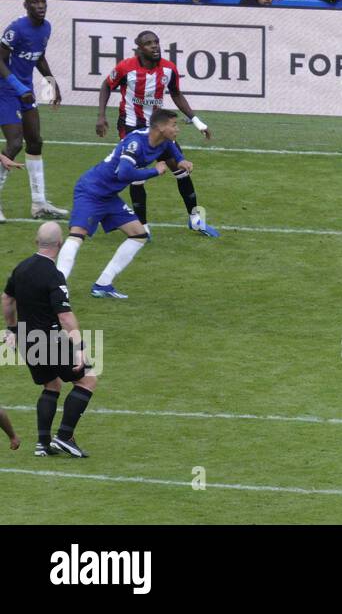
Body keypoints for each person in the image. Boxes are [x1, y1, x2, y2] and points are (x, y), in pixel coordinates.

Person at [57, 107, 188, 301]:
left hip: (109, 196)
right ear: (160, 127)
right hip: (91, 191)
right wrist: (155, 171)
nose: (177, 129)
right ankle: (56, 288)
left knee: (139, 235)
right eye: (173, 125)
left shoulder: (163, 140)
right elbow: (124, 173)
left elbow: (171, 148)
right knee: (77, 235)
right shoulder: (135, 142)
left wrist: (182, 160)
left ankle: (103, 284)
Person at [95, 30, 217, 236]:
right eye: (149, 43)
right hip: (132, 127)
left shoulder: (168, 69)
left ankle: (195, 219)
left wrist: (197, 122)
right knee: (135, 176)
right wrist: (101, 115)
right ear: (140, 48)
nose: (155, 46)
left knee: (180, 168)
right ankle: (142, 225)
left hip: (160, 129)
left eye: (156, 42)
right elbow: (106, 85)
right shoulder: (126, 67)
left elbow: (177, 93)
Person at [2, 221, 98, 457]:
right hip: (51, 339)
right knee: (88, 380)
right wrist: (79, 346)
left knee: (52, 384)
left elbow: (6, 299)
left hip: (27, 339)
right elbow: (65, 315)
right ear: (60, 243)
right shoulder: (53, 275)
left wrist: (12, 330)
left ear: (37, 242)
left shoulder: (21, 268)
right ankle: (64, 437)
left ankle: (43, 443)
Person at [0, 0, 66, 221]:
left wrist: (51, 84)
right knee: (15, 142)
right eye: (35, 3)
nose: (40, 6)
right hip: (6, 91)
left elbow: (39, 57)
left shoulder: (46, 27)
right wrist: (18, 87)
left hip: (25, 92)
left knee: (35, 141)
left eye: (43, 2)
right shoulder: (16, 29)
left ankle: (39, 203)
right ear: (25, 5)